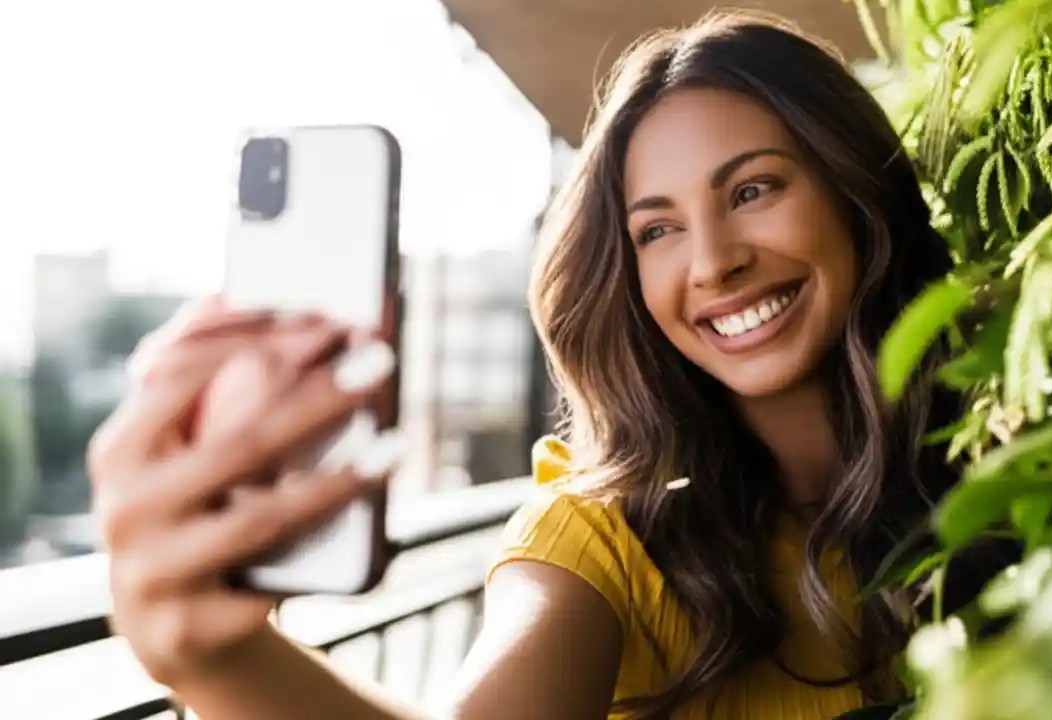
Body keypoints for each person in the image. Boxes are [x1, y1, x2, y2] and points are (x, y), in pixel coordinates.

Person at [89, 10, 1004, 719]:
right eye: (658, 228)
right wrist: (223, 662)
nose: (712, 260)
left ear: (855, 193)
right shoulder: (601, 537)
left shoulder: (1004, 463)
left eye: (754, 189)